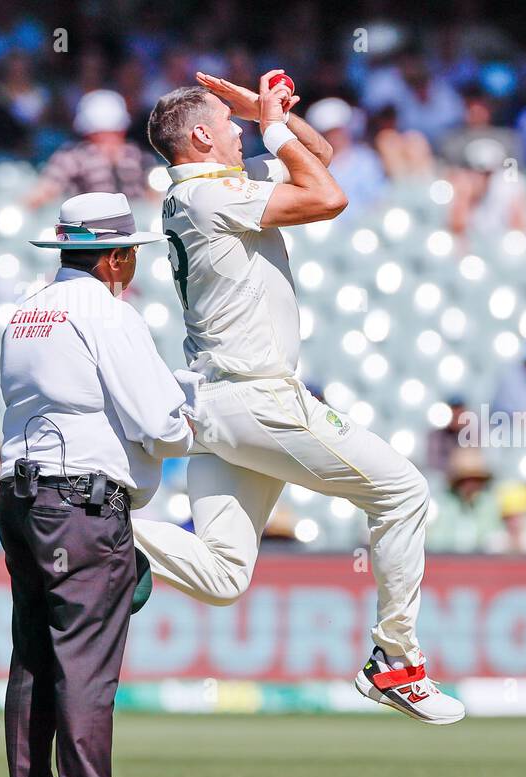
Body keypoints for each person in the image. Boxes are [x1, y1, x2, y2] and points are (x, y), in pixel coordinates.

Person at [132, 73, 464, 725]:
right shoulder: (213, 196)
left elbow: (321, 160)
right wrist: (274, 128)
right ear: (201, 135)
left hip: (217, 406)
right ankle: (395, 661)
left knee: (223, 574)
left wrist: (266, 117)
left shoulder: (200, 192)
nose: (237, 129)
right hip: (257, 398)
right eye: (228, 122)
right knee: (401, 491)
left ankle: (97, 530)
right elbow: (330, 196)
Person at [0, 192, 193, 777]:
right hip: (79, 501)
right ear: (114, 259)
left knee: (35, 654)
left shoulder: (26, 311)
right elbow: (160, 424)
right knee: (84, 655)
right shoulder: (106, 313)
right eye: (129, 255)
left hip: (20, 494)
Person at [25, 90, 156, 209]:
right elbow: (45, 190)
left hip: (136, 227)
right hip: (88, 229)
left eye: (114, 133)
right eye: (102, 134)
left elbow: (155, 195)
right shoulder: (72, 157)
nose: (109, 140)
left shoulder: (136, 156)